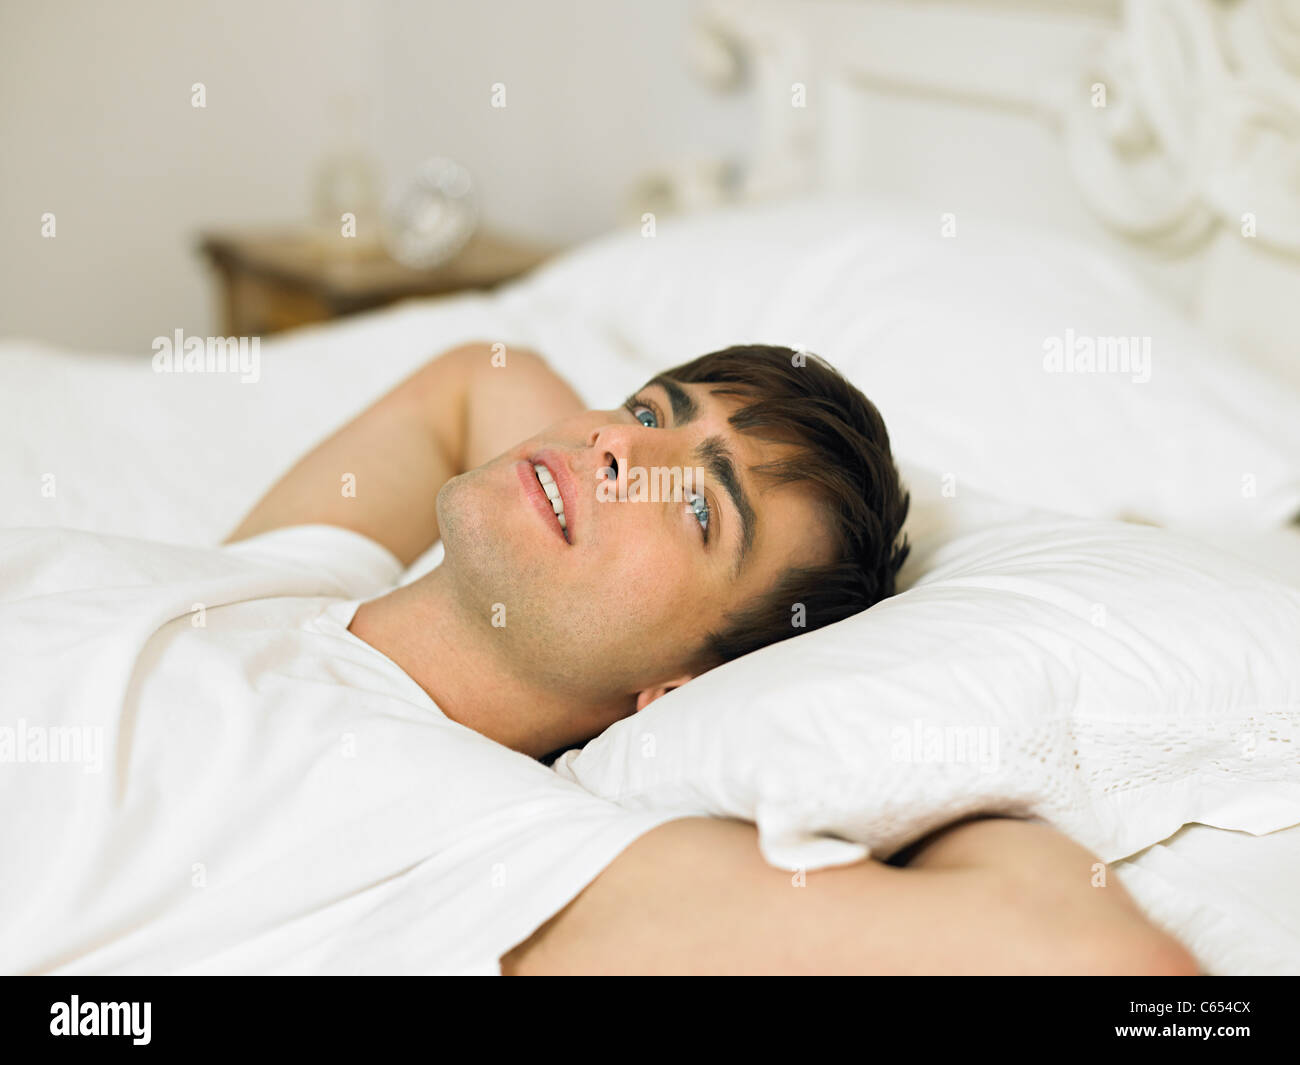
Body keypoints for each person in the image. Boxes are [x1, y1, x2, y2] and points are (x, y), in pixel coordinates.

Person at [222, 339, 1198, 976]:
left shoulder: (468, 851)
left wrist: (925, 760)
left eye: (698, 505)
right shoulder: (287, 579)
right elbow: (482, 376)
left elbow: (1108, 971)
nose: (614, 445)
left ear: (681, 690)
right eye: (650, 412)